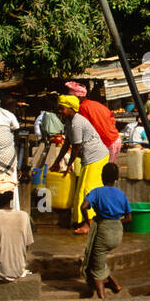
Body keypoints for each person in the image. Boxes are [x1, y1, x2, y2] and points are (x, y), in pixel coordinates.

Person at [53, 94, 109, 234]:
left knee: (88, 189)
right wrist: (56, 162)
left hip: (96, 156)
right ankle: (81, 220)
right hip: (89, 158)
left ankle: (89, 223)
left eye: (62, 108)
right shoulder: (68, 121)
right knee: (80, 189)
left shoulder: (77, 122)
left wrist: (69, 165)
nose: (59, 111)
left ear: (71, 109)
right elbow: (67, 143)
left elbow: (76, 147)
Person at [80, 162, 128, 299]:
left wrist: (87, 221)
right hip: (117, 232)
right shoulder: (121, 194)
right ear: (117, 178)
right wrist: (117, 222)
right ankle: (114, 284)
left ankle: (102, 298)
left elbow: (84, 207)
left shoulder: (96, 192)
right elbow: (129, 217)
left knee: (96, 267)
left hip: (104, 231)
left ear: (101, 177)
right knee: (97, 259)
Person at [76, 83, 122, 162]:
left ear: (78, 97)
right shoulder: (98, 105)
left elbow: (84, 130)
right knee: (109, 170)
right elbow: (112, 122)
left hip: (107, 143)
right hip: (116, 140)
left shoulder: (82, 108)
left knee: (102, 171)